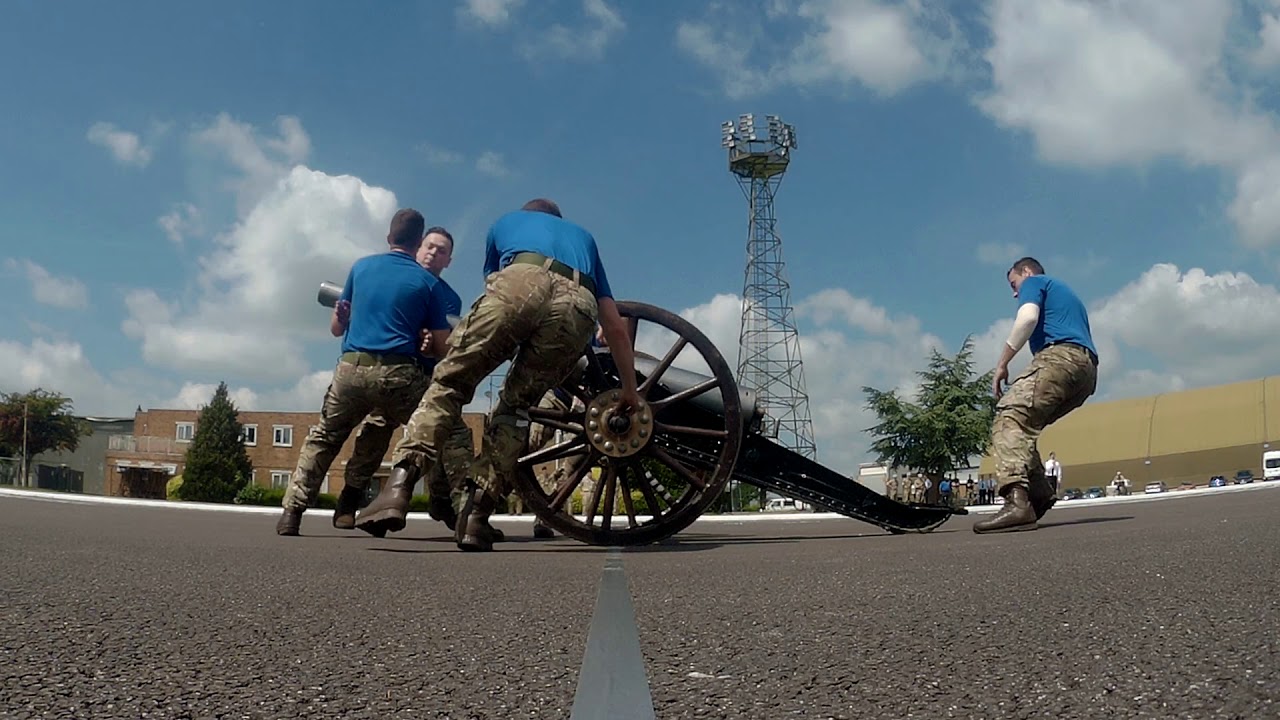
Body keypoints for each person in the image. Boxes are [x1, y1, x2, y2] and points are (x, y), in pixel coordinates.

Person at [354, 198, 640, 551]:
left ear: (527, 215)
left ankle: (398, 484)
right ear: (559, 221)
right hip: (579, 306)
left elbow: (496, 282)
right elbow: (613, 324)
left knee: (451, 383)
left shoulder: (505, 222)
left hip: (519, 283)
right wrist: (630, 390)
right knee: (516, 410)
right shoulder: (585, 239)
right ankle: (476, 517)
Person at [275, 209, 454, 536]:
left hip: (351, 370)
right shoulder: (428, 283)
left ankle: (292, 512)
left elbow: (336, 327)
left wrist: (346, 318)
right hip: (399, 374)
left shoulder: (360, 268)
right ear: (418, 244)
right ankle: (443, 501)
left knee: (324, 438)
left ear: (389, 238)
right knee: (439, 430)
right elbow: (443, 347)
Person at [343, 227, 470, 534]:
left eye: (441, 250)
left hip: (424, 377)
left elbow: (446, 345)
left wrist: (433, 344)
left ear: (448, 260)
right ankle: (350, 499)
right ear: (417, 247)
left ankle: (441, 500)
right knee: (373, 433)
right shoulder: (391, 278)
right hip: (392, 371)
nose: (432, 253)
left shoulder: (450, 298)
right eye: (429, 246)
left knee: (440, 435)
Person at [974, 256, 1098, 534]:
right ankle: (1038, 494)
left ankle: (1016, 502)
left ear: (1026, 272)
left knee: (1010, 417)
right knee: (1025, 427)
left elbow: (1027, 318)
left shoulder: (1036, 282)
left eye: (1013, 283)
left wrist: (1002, 363)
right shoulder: (1067, 294)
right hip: (1087, 373)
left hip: (1061, 358)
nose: (1014, 292)